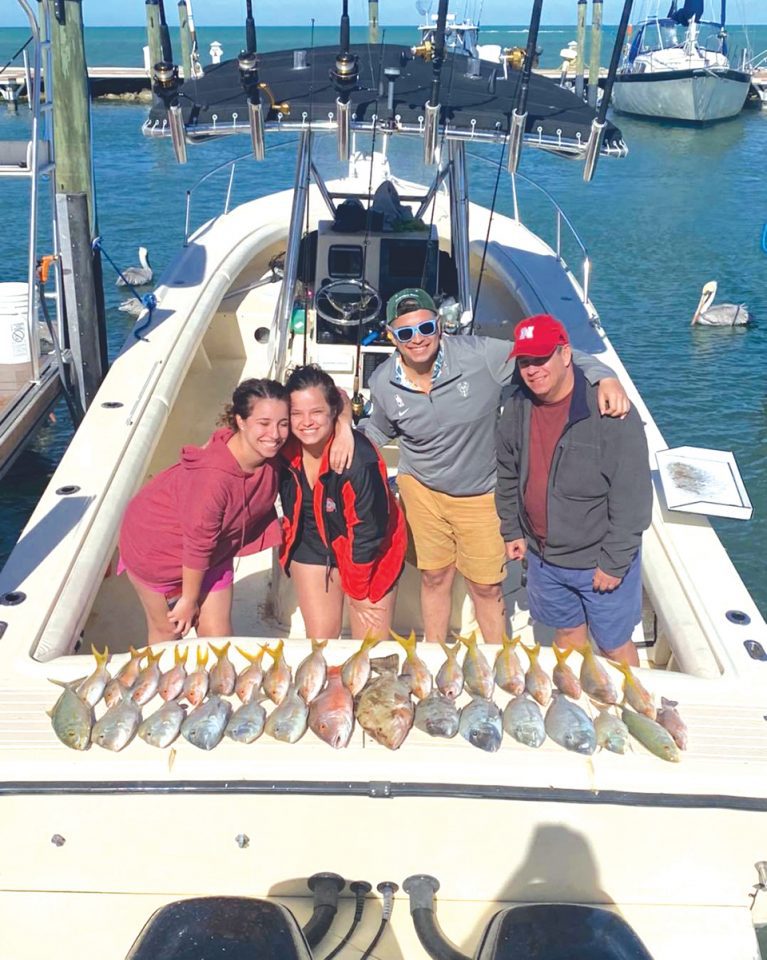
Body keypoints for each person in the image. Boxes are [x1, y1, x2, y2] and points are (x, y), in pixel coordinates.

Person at [358, 288, 630, 645]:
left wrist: (604, 376)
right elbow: (380, 428)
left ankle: (496, 658)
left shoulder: (482, 356)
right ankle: (434, 651)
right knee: (434, 576)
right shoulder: (382, 382)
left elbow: (555, 357)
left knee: (485, 586)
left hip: (481, 492)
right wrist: (351, 441)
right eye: (406, 333)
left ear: (439, 326)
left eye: (425, 327)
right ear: (392, 337)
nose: (418, 339)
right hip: (421, 490)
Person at [495, 314, 652, 666]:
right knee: (566, 636)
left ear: (566, 355)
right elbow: (507, 472)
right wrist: (512, 528)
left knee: (614, 646)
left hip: (598, 561)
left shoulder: (611, 412)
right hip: (543, 558)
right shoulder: (515, 405)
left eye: (541, 358)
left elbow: (633, 500)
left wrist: (613, 563)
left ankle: (628, 713)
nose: (532, 370)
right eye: (525, 362)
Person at [118, 378, 289, 643]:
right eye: (264, 423)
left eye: (283, 423)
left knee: (217, 636)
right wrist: (188, 600)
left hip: (215, 550)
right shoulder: (213, 479)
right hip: (157, 548)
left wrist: (345, 428)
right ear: (241, 421)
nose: (275, 434)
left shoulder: (269, 454)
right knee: (168, 633)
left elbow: (330, 401)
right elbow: (198, 544)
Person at [280, 364, 407, 640]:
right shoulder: (282, 443)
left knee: (370, 648)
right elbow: (248, 428)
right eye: (296, 413)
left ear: (332, 411)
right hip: (312, 542)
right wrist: (344, 421)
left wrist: (358, 592)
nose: (306, 422)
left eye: (317, 412)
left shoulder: (359, 460)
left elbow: (369, 532)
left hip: (370, 551)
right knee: (320, 641)